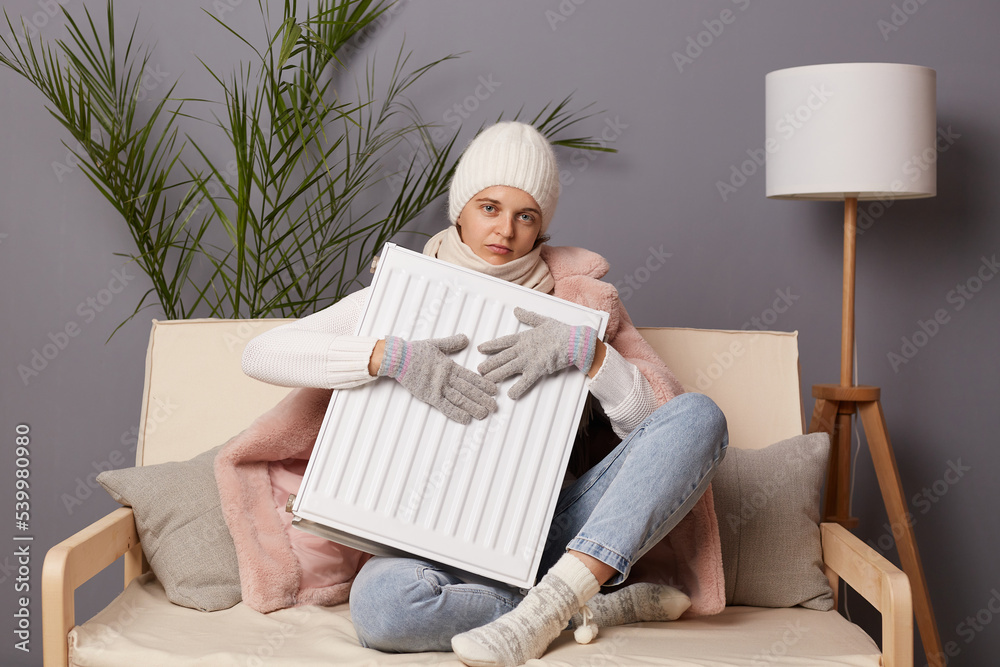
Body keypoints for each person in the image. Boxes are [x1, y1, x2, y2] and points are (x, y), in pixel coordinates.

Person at [241, 121, 729, 666]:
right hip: (427, 537)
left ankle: (557, 599)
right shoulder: (399, 294)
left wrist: (591, 355)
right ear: (461, 210)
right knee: (382, 609)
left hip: (555, 530)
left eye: (527, 216)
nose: (506, 229)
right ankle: (582, 607)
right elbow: (260, 353)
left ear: (541, 227)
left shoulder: (579, 304)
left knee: (699, 415)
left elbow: (654, 434)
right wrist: (386, 357)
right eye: (490, 207)